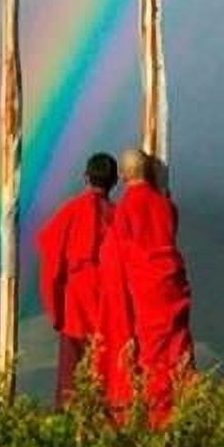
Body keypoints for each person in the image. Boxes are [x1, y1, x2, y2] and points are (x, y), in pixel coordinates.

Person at [100, 147, 195, 427]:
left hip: (145, 294)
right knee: (178, 354)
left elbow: (115, 258)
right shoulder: (166, 206)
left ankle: (157, 424)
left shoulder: (126, 209)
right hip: (171, 289)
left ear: (121, 175)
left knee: (152, 361)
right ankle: (185, 416)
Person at [35, 152, 119, 409]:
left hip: (75, 313)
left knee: (71, 390)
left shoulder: (69, 213)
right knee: (106, 388)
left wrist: (55, 312)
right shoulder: (119, 217)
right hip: (109, 315)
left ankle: (71, 442)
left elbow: (51, 265)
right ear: (115, 181)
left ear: (85, 177)